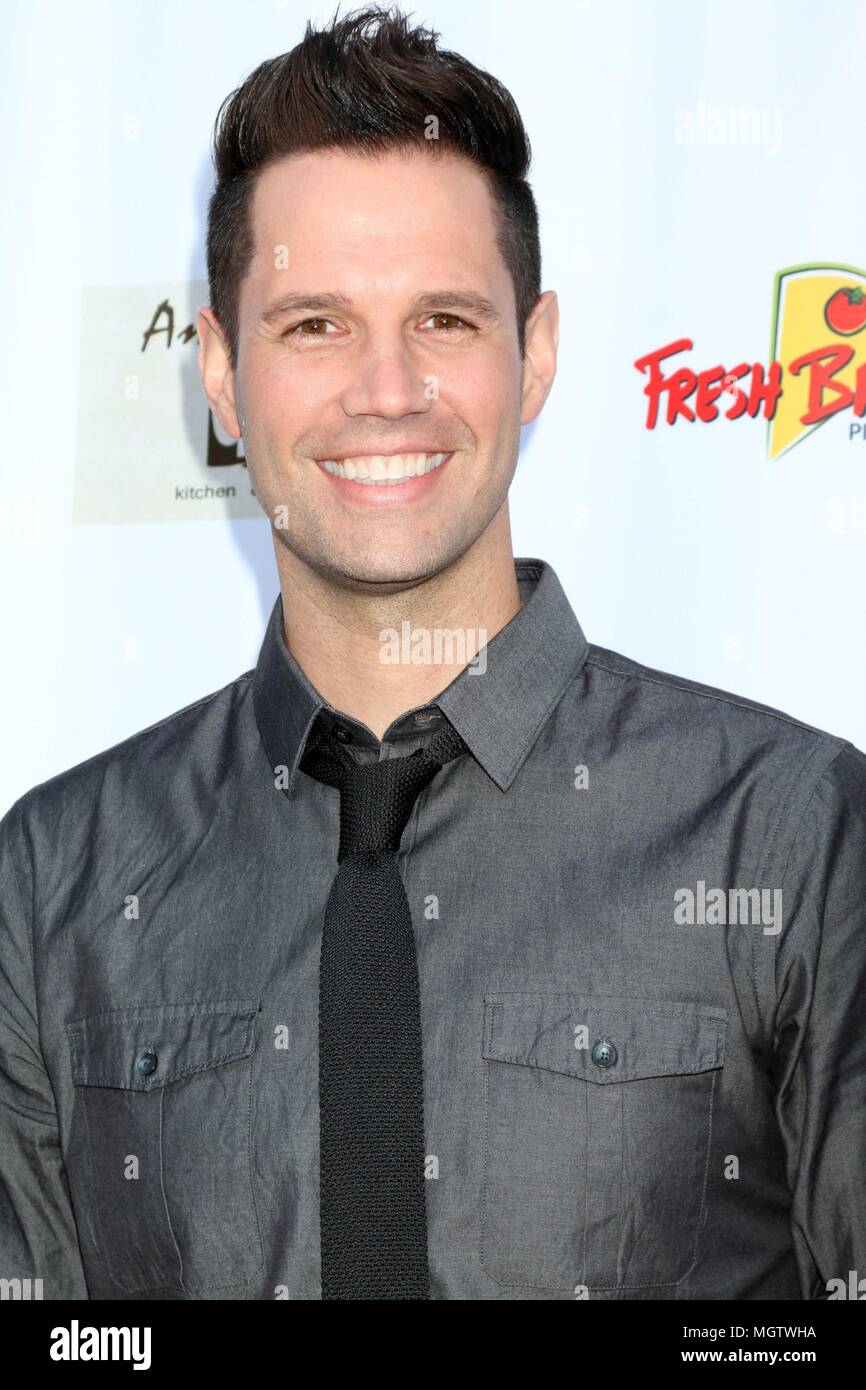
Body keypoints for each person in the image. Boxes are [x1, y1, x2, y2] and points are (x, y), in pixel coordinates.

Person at [1, 4, 864, 1302]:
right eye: (314, 325)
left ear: (538, 353)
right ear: (223, 377)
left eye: (445, 320)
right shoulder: (56, 877)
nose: (387, 389)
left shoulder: (788, 832)